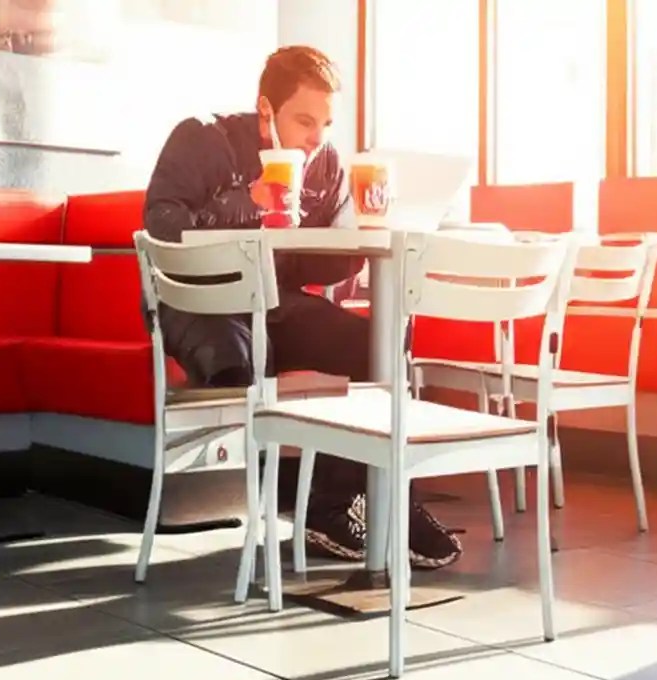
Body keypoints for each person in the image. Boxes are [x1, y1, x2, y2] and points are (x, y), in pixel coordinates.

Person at [142, 45, 462, 570]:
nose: (318, 139)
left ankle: (334, 508)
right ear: (266, 110)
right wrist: (250, 201)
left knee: (376, 344)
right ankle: (335, 505)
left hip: (274, 306)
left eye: (328, 123)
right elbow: (162, 223)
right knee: (242, 364)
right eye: (306, 121)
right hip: (202, 305)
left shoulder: (329, 165)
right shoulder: (203, 139)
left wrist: (358, 239)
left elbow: (315, 269)